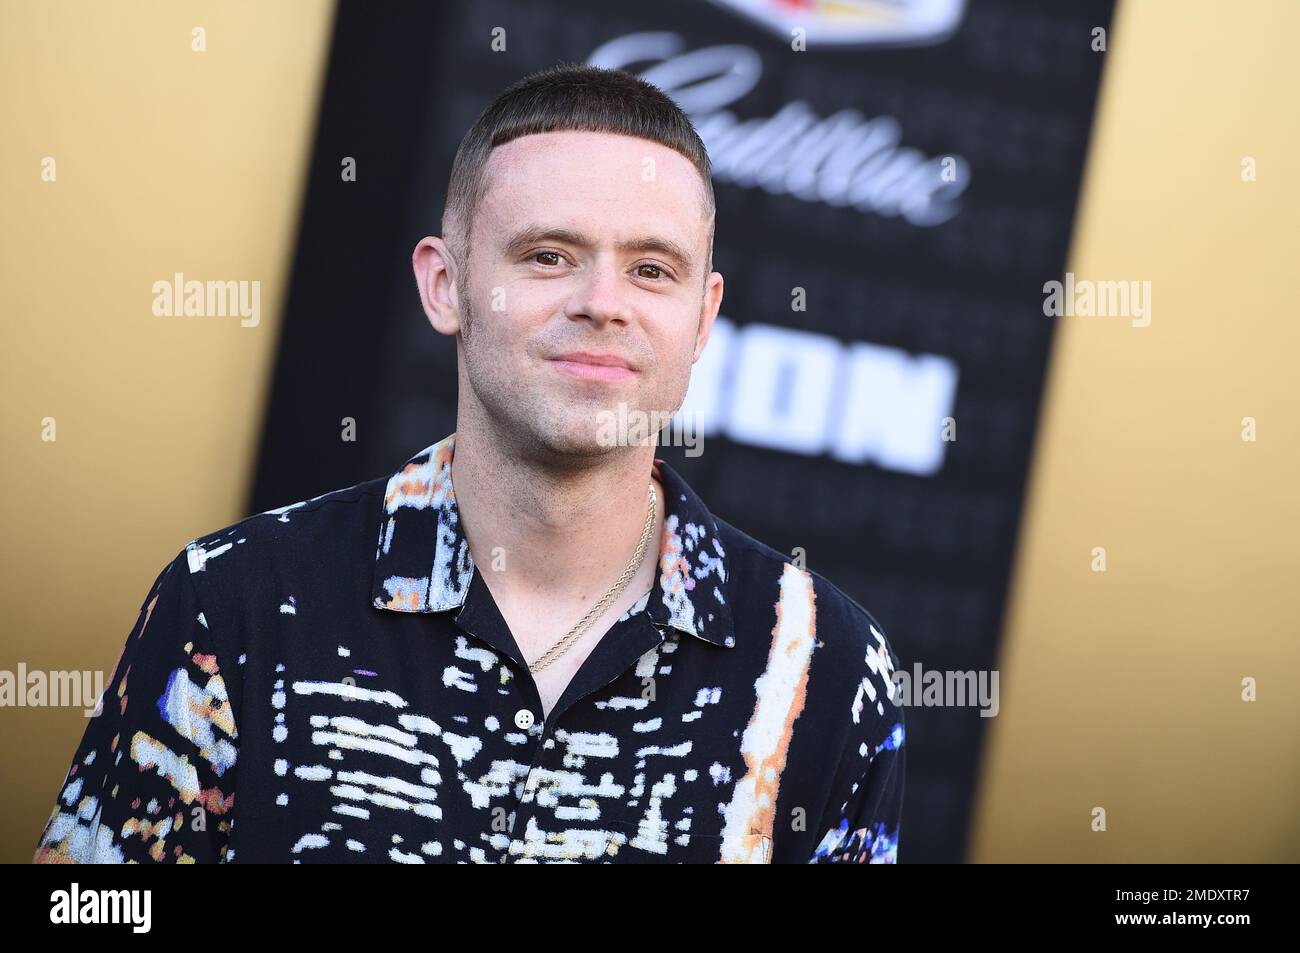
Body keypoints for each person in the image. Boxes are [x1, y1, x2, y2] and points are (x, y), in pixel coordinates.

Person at [33, 62, 904, 864]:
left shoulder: (824, 664)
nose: (603, 304)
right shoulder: (234, 601)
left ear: (704, 316)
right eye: (548, 256)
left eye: (651, 268)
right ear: (444, 284)